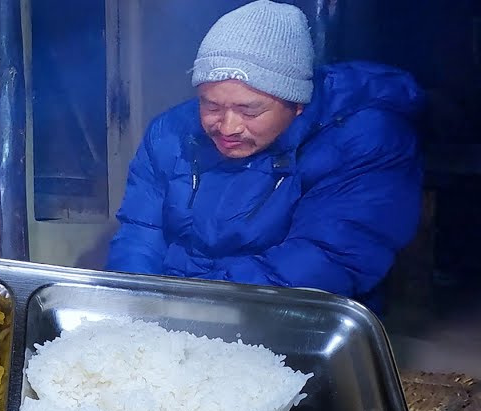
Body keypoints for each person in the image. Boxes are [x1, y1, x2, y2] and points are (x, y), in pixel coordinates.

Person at [105, 0, 423, 307]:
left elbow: (326, 258)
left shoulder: (365, 139)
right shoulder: (170, 132)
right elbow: (141, 231)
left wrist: (195, 308)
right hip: (175, 306)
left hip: (289, 313)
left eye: (250, 111)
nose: (228, 127)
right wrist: (137, 302)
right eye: (211, 105)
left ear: (297, 104)